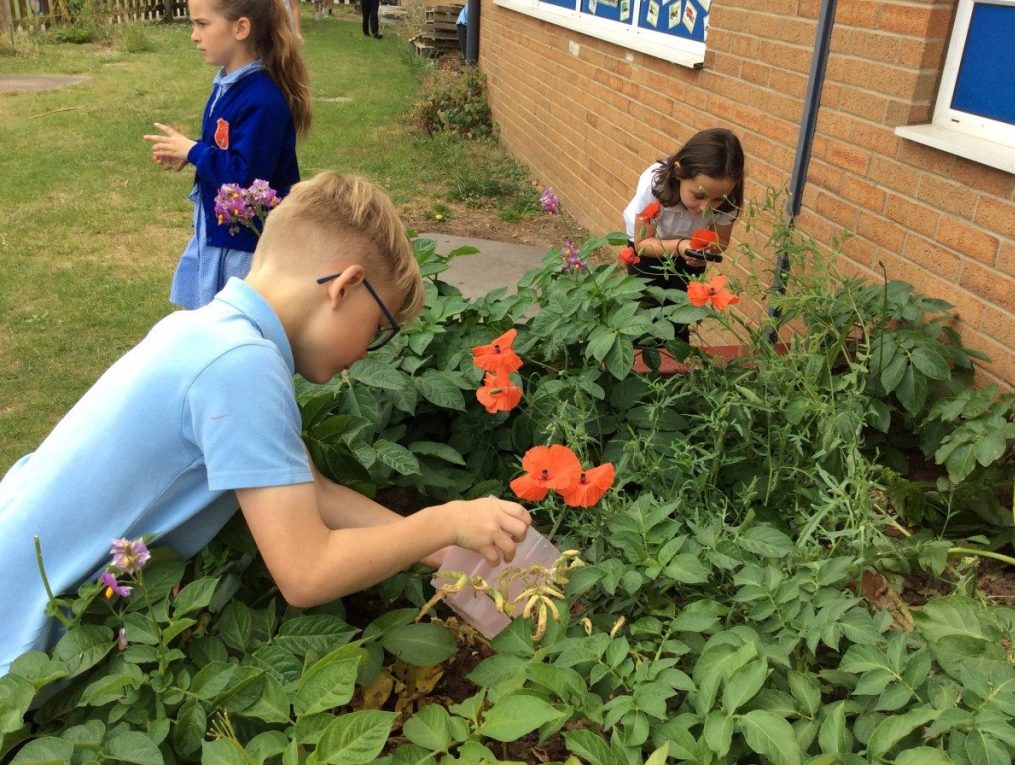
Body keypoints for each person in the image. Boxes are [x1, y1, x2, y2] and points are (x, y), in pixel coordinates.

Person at [0, 171, 533, 677]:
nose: (367, 351)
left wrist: (452, 554)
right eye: (377, 328)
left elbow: (314, 493)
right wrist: (446, 521)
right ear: (345, 286)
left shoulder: (207, 332)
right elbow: (306, 572)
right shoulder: (241, 367)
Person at [144, 0, 313, 310]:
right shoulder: (228, 85)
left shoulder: (262, 100)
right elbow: (227, 148)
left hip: (245, 247)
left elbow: (245, 179)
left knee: (236, 322)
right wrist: (191, 153)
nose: (194, 35)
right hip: (221, 233)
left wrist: (194, 150)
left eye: (202, 24)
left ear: (241, 28)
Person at [622, 127, 745, 314]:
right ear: (678, 172)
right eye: (698, 195)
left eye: (718, 199)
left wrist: (706, 250)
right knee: (645, 308)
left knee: (682, 312)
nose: (705, 209)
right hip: (648, 248)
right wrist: (679, 246)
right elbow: (642, 244)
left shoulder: (730, 198)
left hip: (690, 255)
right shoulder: (655, 185)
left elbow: (722, 240)